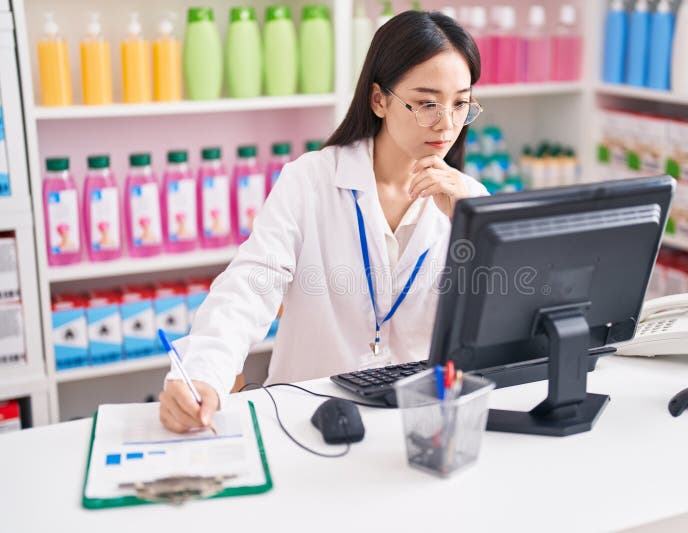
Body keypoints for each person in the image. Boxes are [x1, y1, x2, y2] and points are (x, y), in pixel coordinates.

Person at [159, 10, 487, 433]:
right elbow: (248, 286)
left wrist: (473, 224)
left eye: (460, 103)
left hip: (420, 425)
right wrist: (204, 371)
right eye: (426, 103)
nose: (447, 124)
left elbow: (502, 323)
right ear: (379, 99)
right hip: (307, 420)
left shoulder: (468, 201)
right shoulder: (310, 180)